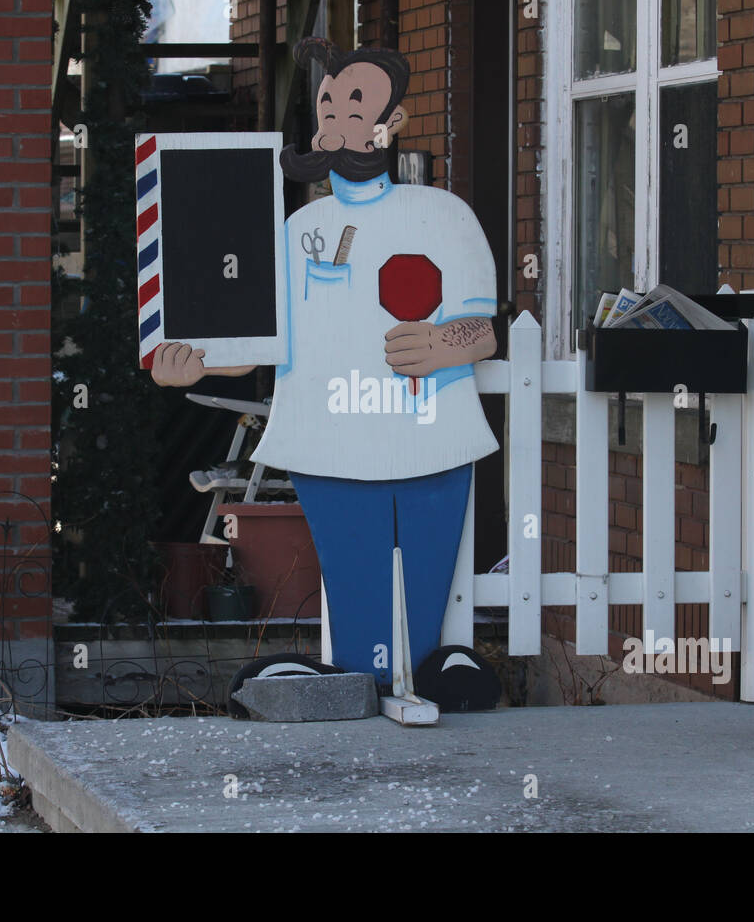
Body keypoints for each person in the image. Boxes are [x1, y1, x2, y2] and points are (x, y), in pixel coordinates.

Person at [151, 39, 501, 710]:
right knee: (352, 567)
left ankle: (429, 669)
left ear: (391, 121)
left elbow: (483, 330)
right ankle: (359, 678)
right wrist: (190, 362)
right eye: (328, 102)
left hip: (431, 435)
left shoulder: (444, 218)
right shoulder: (297, 230)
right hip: (332, 439)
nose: (338, 115)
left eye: (356, 101)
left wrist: (442, 342)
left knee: (428, 567)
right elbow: (256, 339)